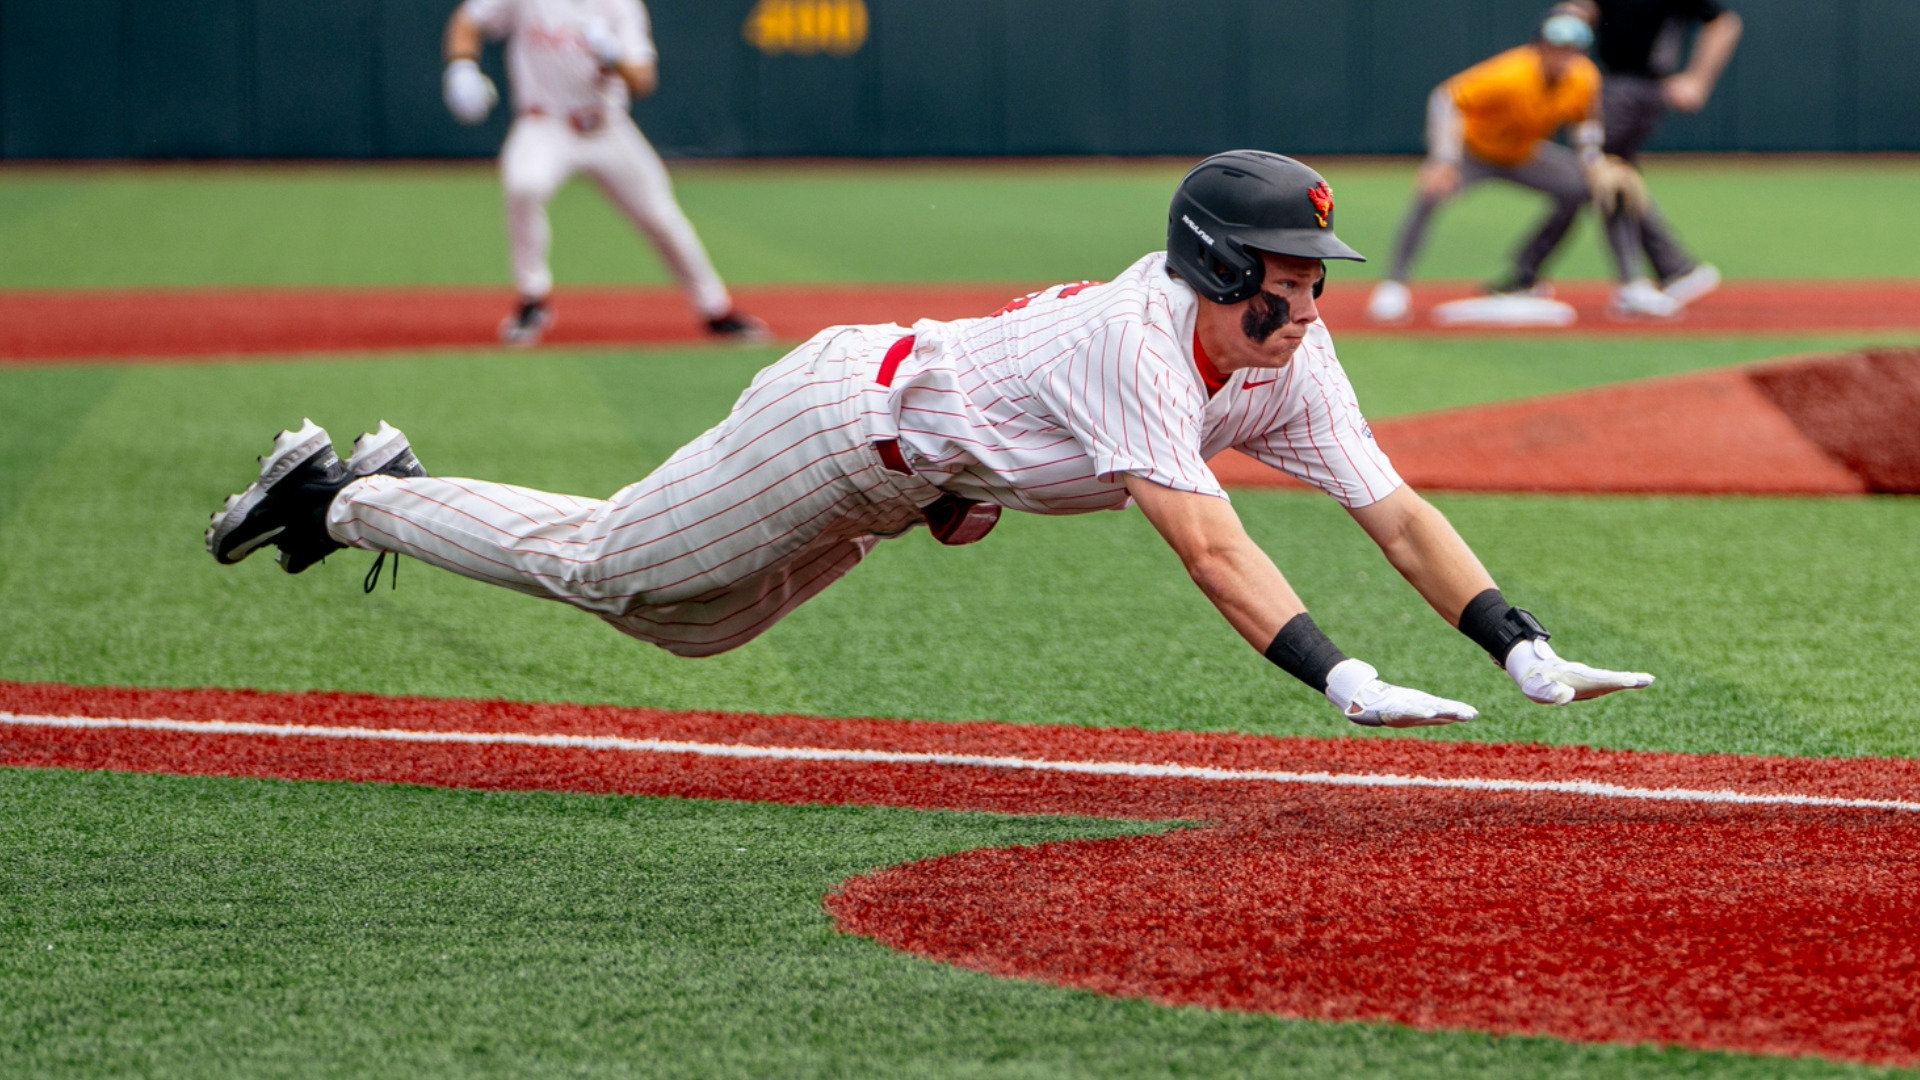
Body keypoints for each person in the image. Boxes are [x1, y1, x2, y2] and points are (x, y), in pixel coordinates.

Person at [206, 152, 1653, 728]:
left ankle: (375, 493)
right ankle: (343, 497)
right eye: (1287, 273)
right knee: (611, 570)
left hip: (917, 473)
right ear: (1217, 267)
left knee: (685, 633)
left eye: (1317, 273)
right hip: (846, 423)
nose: (1311, 297)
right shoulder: (1141, 338)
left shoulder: (1294, 354)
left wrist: (1518, 647)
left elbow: (1395, 511)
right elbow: (1212, 545)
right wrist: (1341, 677)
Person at [441, 0, 768, 345]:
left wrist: (613, 55)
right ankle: (532, 298)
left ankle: (715, 308)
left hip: (606, 127)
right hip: (544, 124)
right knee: (525, 185)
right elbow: (467, 20)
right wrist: (461, 68)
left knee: (661, 216)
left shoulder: (620, 5)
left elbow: (643, 80)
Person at [1366, 10, 1681, 323]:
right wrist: (1444, 159)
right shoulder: (1511, 73)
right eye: (1558, 47)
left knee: (1606, 189)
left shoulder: (1584, 77)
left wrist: (1593, 160)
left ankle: (1632, 287)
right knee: (1431, 192)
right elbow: (1446, 99)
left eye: (1573, 49)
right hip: (1474, 152)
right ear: (1541, 47)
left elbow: (1584, 121)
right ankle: (1394, 287)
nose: (1565, 56)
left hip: (1524, 155)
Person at [1576, 0, 1741, 307]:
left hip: (1639, 86)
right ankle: (1674, 269)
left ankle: (1527, 275)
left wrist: (1698, 80)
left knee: (1596, 173)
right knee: (1611, 176)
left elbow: (1724, 23)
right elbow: (1585, 10)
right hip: (1607, 81)